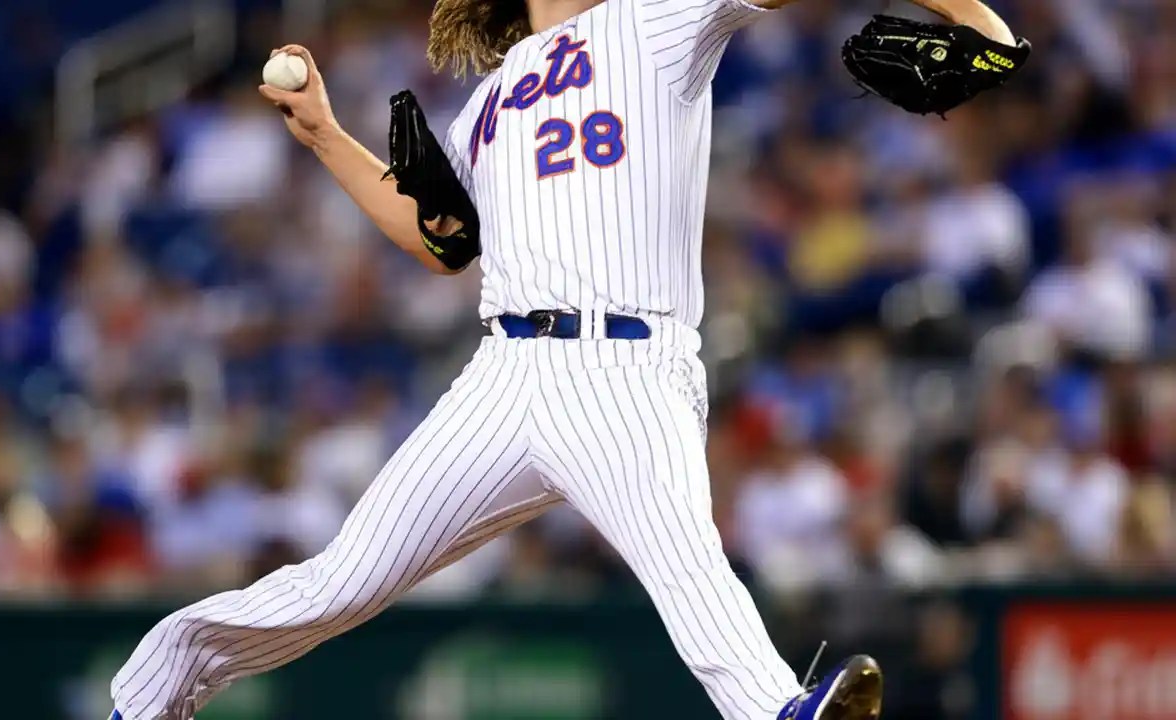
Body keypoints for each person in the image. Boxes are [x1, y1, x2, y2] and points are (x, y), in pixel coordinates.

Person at [108, 0, 1020, 717]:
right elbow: (440, 241)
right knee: (339, 582)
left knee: (687, 569)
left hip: (628, 365)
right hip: (502, 376)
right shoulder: (486, 100)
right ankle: (150, 696)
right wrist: (322, 133)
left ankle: (777, 710)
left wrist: (979, 21)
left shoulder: (658, 18)